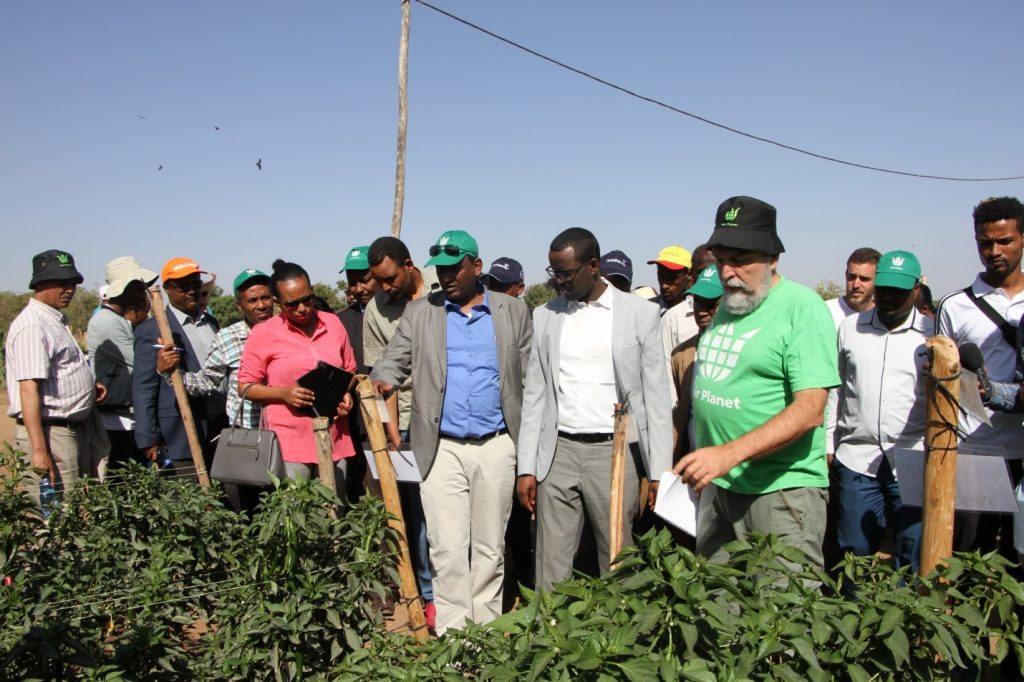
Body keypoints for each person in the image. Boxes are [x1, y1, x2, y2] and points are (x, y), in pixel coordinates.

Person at [371, 230, 531, 634]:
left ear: (476, 267)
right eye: (440, 269)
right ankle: (455, 637)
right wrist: (383, 380)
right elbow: (392, 361)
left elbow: (531, 377)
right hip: (441, 449)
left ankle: (486, 633)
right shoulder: (422, 312)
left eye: (455, 268)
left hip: (497, 445)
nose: (446, 277)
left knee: (490, 547)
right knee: (446, 548)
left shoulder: (512, 311)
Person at [675, 196, 839, 567]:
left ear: (772, 258)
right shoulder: (730, 306)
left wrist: (727, 454)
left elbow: (811, 409)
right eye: (721, 261)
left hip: (779, 493)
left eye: (740, 259)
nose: (728, 272)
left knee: (782, 613)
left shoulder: (802, 308)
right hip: (720, 488)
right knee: (717, 608)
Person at [517, 227, 672, 591]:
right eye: (553, 272)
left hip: (615, 454)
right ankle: (550, 639)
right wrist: (527, 467)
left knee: (618, 559)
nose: (559, 281)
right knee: (551, 563)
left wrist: (658, 471)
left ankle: (619, 641)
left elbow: (657, 398)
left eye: (566, 273)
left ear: (594, 266)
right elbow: (536, 396)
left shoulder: (639, 314)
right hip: (558, 453)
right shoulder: (545, 315)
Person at [832, 250, 931, 572]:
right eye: (884, 289)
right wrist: (828, 443)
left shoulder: (932, 335)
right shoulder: (850, 328)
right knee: (854, 550)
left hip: (912, 455)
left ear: (916, 290)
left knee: (911, 549)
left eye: (898, 292)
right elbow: (835, 388)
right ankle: (853, 615)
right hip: (856, 455)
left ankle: (907, 616)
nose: (888, 298)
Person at [936, 196, 1024, 556]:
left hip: (1020, 451)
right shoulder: (954, 305)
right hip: (975, 451)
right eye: (985, 242)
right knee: (973, 559)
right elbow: (941, 382)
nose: (994, 251)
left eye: (1005, 241)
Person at [364, 236, 439, 623]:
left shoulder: (444, 287)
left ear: (410, 265)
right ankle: (430, 595)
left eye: (391, 279)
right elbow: (383, 378)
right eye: (378, 280)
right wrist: (392, 432)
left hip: (450, 414)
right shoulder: (375, 311)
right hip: (408, 421)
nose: (385, 288)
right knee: (420, 515)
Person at [237, 260, 357, 493]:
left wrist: (345, 392)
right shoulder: (264, 333)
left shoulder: (332, 323)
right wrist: (284, 393)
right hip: (290, 441)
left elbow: (350, 370)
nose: (302, 308)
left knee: (334, 512)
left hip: (333, 435)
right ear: (277, 302)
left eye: (306, 300)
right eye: (292, 304)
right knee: (296, 515)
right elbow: (245, 387)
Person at [7, 250, 109, 504]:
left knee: (80, 508)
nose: (70, 288)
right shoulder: (33, 325)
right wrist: (40, 451)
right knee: (58, 517)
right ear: (40, 283)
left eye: (73, 282)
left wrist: (87, 387)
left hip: (74, 429)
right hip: (51, 433)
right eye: (62, 282)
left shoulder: (53, 320)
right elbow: (29, 389)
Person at [133, 257, 222, 479]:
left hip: (218, 427)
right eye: (183, 287)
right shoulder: (153, 330)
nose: (191, 291)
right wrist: (148, 437)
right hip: (180, 431)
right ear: (168, 290)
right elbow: (143, 386)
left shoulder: (211, 324)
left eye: (195, 284)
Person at [87, 256, 157, 468]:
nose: (143, 293)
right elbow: (142, 362)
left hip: (129, 420)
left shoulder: (120, 321)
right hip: (116, 423)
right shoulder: (107, 322)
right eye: (138, 288)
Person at [337, 245, 378, 501]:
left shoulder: (403, 311)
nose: (358, 288)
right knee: (373, 492)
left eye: (365, 280)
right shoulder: (339, 321)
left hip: (401, 420)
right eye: (352, 283)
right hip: (360, 424)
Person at [670, 265, 722, 462]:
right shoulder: (681, 355)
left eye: (711, 304)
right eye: (698, 302)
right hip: (691, 467)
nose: (701, 312)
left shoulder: (748, 352)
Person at [825, 248, 880, 328]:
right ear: (846, 275)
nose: (856, 285)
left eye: (864, 279)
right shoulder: (826, 311)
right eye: (851, 277)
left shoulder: (883, 316)